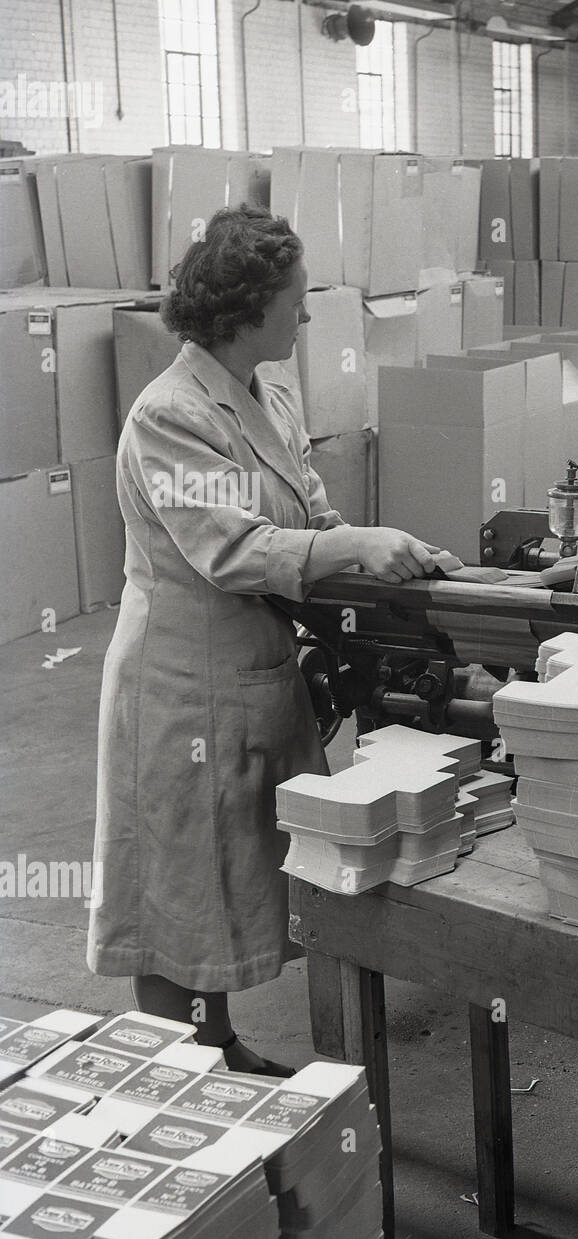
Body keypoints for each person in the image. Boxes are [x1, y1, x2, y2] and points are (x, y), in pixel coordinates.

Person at [89, 205, 441, 1076]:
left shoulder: (270, 396)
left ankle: (218, 1047)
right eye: (295, 300)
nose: (308, 315)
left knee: (232, 876)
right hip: (180, 682)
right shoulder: (168, 414)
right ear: (247, 308)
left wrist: (396, 562)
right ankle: (187, 1074)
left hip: (252, 671)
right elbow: (233, 548)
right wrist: (352, 547)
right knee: (180, 891)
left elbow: (309, 519)